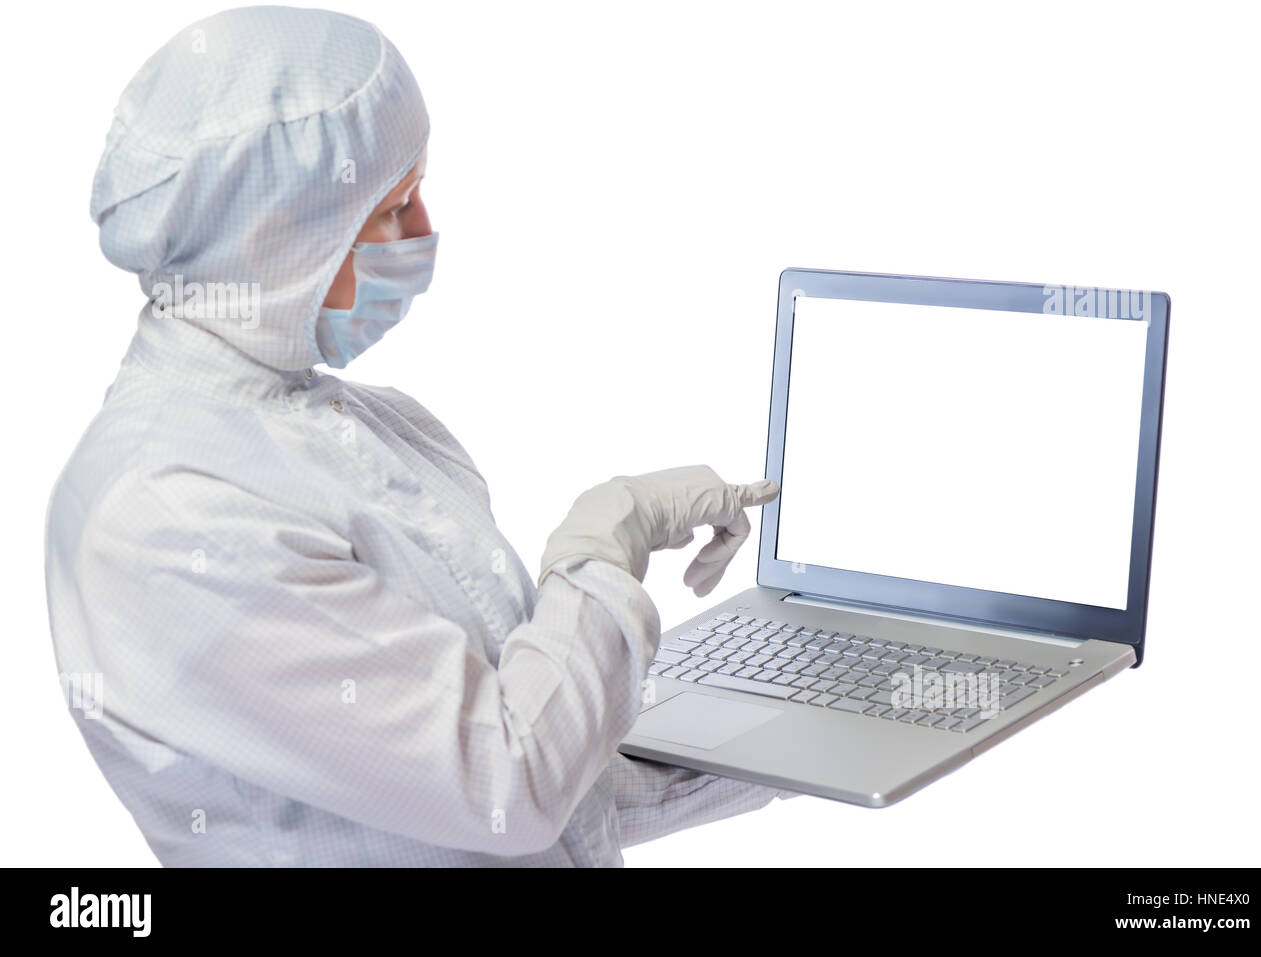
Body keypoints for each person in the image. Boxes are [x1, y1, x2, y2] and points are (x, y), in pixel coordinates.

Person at [45, 5, 789, 866]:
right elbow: (509, 784)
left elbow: (546, 783)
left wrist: (797, 740)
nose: (427, 232)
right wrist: (602, 545)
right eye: (395, 204)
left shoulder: (369, 427)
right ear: (275, 236)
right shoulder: (170, 514)